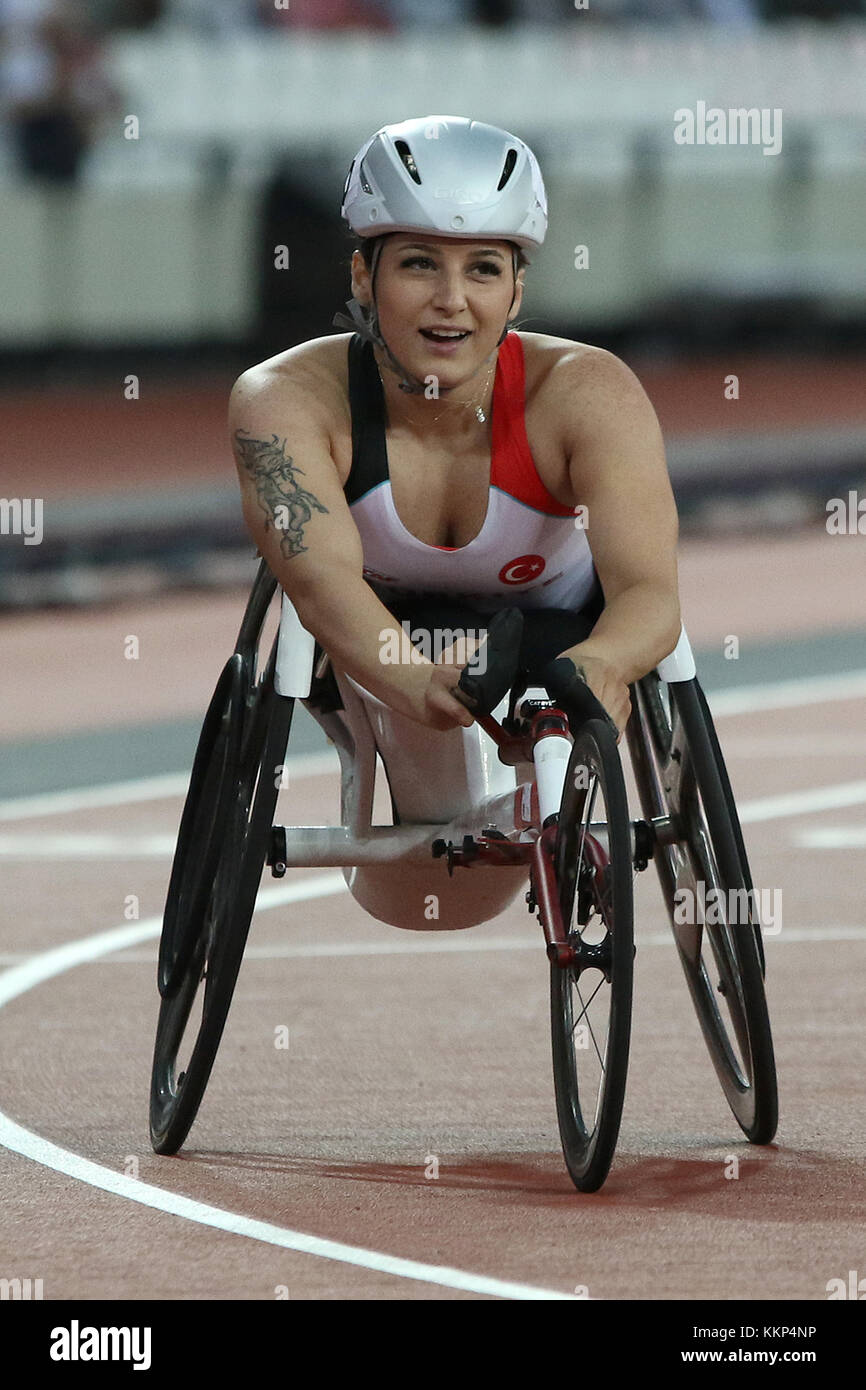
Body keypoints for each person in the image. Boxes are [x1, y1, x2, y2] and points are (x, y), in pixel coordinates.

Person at [230, 115, 681, 739]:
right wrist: (416, 681)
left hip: (558, 635)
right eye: (419, 264)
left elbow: (649, 593)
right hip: (375, 637)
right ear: (364, 276)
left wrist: (603, 661)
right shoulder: (284, 401)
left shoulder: (589, 393)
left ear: (517, 292)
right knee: (431, 803)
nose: (451, 299)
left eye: (483, 270)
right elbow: (321, 583)